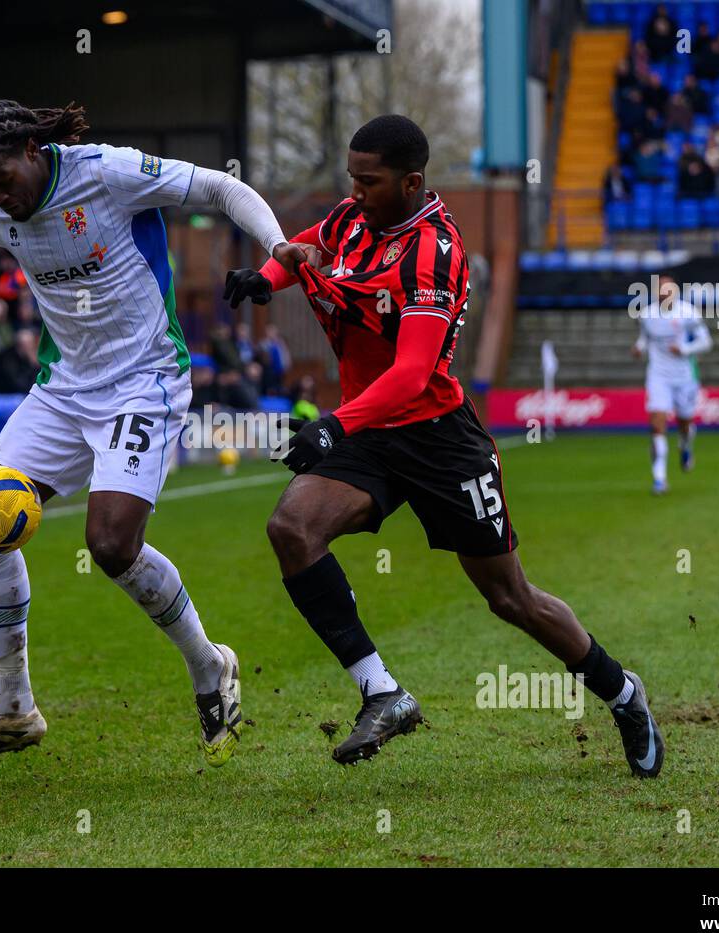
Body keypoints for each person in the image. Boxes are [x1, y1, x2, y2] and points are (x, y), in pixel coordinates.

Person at [0, 99, 301, 769]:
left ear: (34, 154)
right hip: (64, 389)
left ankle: (210, 666)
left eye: (3, 180)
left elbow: (221, 187)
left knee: (109, 544)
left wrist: (276, 247)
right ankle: (13, 708)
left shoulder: (109, 173)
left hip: (144, 380)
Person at [223, 115, 663, 777]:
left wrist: (334, 424)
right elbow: (309, 247)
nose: (355, 190)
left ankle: (623, 694)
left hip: (438, 440)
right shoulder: (352, 217)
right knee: (291, 528)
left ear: (412, 182)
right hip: (371, 435)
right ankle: (383, 692)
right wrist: (266, 278)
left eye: (368, 181)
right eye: (352, 177)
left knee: (511, 598)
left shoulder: (435, 252)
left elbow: (411, 373)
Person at [633, 273, 713, 494]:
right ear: (656, 292)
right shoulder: (647, 315)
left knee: (684, 423)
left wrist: (685, 349)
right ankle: (659, 479)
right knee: (657, 424)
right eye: (662, 289)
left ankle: (685, 445)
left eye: (670, 289)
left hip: (685, 375)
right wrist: (638, 349)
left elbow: (706, 341)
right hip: (658, 375)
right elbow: (645, 339)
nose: (666, 293)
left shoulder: (688, 313)